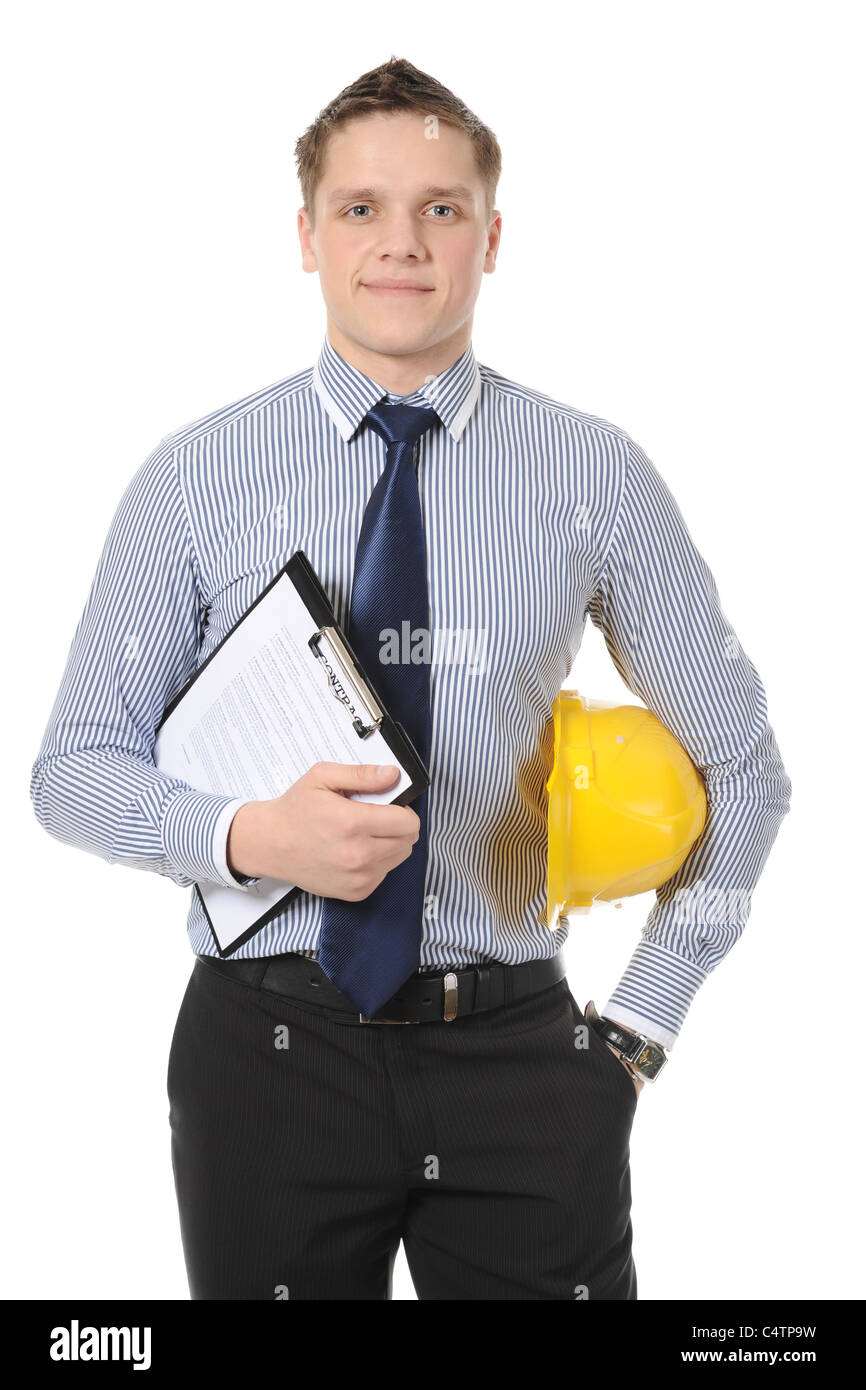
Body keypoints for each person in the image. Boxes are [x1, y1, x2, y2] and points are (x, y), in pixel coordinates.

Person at [30, 55, 792, 1301]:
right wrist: (246, 833)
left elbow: (745, 772)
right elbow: (71, 770)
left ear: (491, 238)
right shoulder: (195, 476)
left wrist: (639, 1026)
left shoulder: (590, 472)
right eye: (361, 209)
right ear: (306, 235)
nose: (401, 243)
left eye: (440, 208)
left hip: (519, 1055)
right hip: (265, 1055)